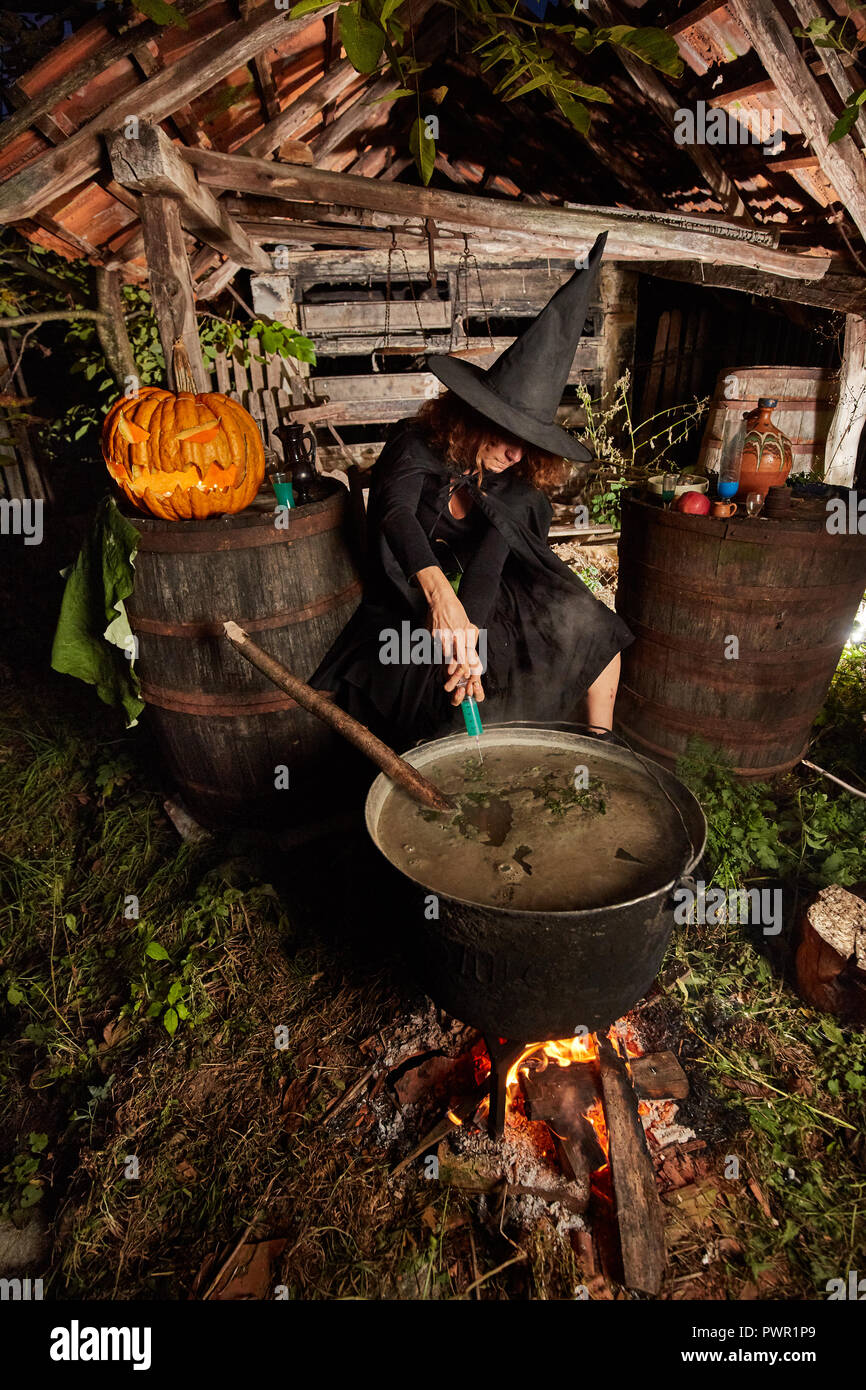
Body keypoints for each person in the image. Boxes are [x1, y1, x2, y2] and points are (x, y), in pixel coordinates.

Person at [310, 232, 633, 750]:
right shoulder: (415, 444)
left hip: (480, 591)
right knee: (419, 668)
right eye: (508, 435)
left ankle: (601, 749)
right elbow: (395, 513)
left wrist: (469, 643)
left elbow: (486, 565)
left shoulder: (517, 487)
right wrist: (440, 598)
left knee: (590, 625)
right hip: (407, 592)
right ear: (475, 415)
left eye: (529, 444)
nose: (516, 454)